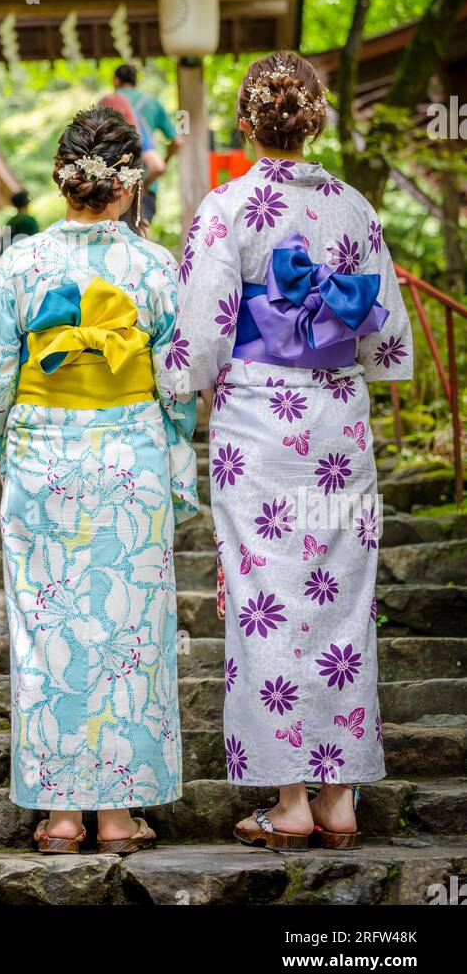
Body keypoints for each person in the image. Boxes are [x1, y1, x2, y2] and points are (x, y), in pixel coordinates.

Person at [174, 50, 413, 851]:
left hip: (257, 430)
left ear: (246, 122)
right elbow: (387, 341)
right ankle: (340, 798)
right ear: (317, 120)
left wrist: (171, 376)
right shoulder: (356, 209)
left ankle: (290, 802)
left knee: (264, 596)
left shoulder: (226, 208)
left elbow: (203, 337)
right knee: (343, 599)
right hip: (338, 421)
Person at [0, 106, 198, 854]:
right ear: (128, 186)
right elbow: (179, 378)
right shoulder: (156, 267)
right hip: (128, 452)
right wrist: (173, 439)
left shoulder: (21, 263)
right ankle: (119, 816)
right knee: (130, 631)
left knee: (49, 630)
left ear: (64, 178)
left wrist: (11, 440)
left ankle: (62, 814)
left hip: (46, 456)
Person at [113, 63, 180, 224]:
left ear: (115, 81)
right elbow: (177, 141)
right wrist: (163, 163)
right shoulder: (151, 103)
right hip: (146, 182)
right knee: (142, 230)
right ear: (136, 81)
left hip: (114, 184)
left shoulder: (109, 101)